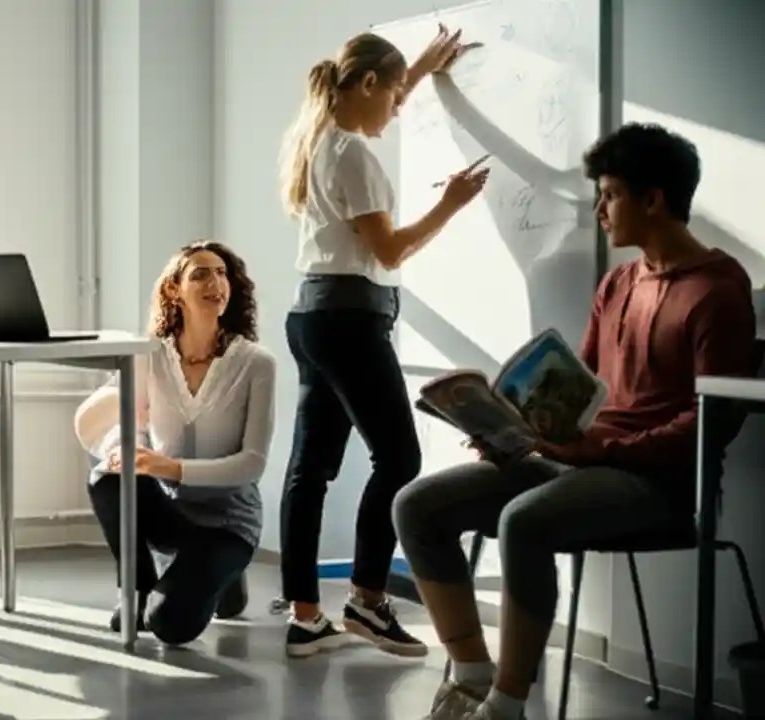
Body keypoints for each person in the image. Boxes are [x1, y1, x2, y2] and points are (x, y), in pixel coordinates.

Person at [392, 123, 756, 720]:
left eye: (609, 194)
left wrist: (603, 451)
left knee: (525, 520)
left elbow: (715, 422)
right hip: (581, 462)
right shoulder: (616, 283)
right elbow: (574, 388)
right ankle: (474, 675)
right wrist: (508, 430)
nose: (600, 210)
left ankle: (506, 706)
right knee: (417, 504)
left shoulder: (718, 289)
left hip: (661, 483)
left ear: (653, 199)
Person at [275, 26, 488, 658]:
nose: (400, 107)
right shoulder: (353, 155)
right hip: (351, 320)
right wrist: (450, 203)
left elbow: (378, 106)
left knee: (308, 470)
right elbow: (391, 249)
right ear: (366, 83)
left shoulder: (317, 137)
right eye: (394, 92)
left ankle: (306, 618)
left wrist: (416, 67)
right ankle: (367, 603)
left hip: (312, 314)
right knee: (398, 460)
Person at [73, 241, 275, 645]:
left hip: (229, 524)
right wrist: (125, 445)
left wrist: (169, 467)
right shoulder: (149, 356)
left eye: (222, 273)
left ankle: (224, 576)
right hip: (172, 513)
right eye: (200, 273)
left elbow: (252, 464)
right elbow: (102, 419)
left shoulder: (257, 363)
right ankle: (135, 587)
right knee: (106, 478)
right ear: (173, 290)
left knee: (169, 625)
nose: (215, 282)